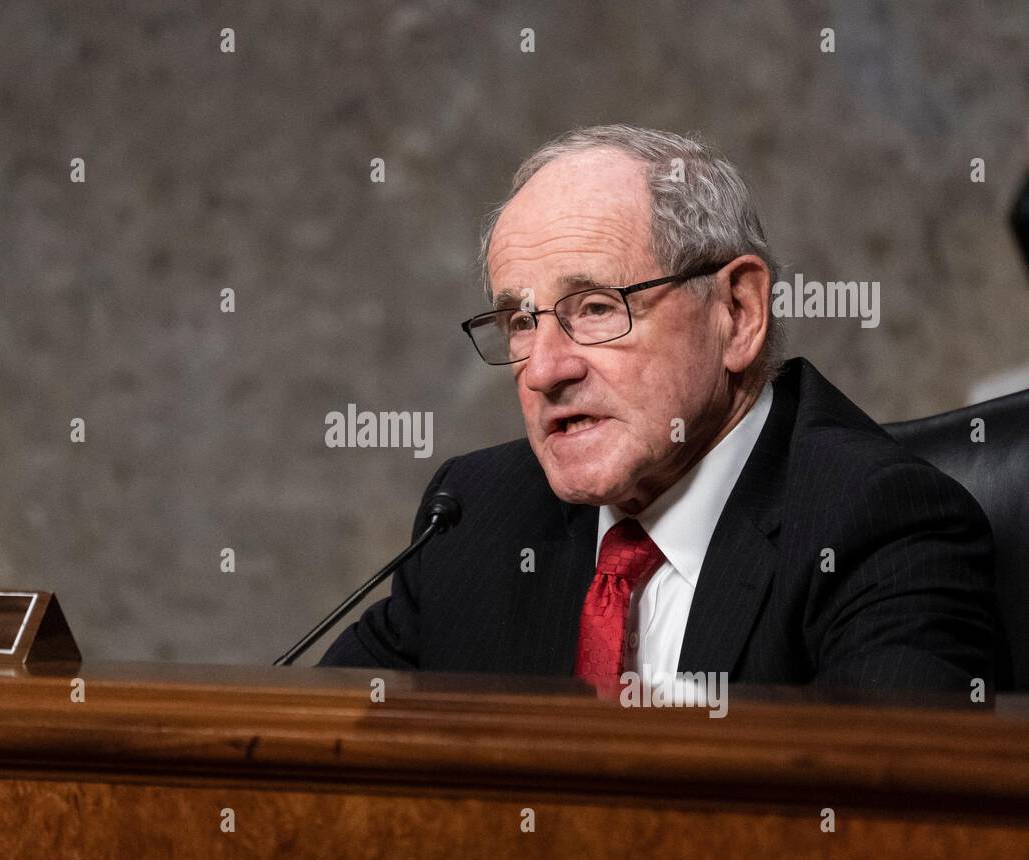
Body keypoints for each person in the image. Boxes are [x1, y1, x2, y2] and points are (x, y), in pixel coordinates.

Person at [319, 124, 1000, 694]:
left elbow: (883, 825)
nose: (545, 368)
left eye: (594, 308)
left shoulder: (876, 526)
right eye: (520, 322)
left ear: (737, 313)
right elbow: (313, 759)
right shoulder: (474, 518)